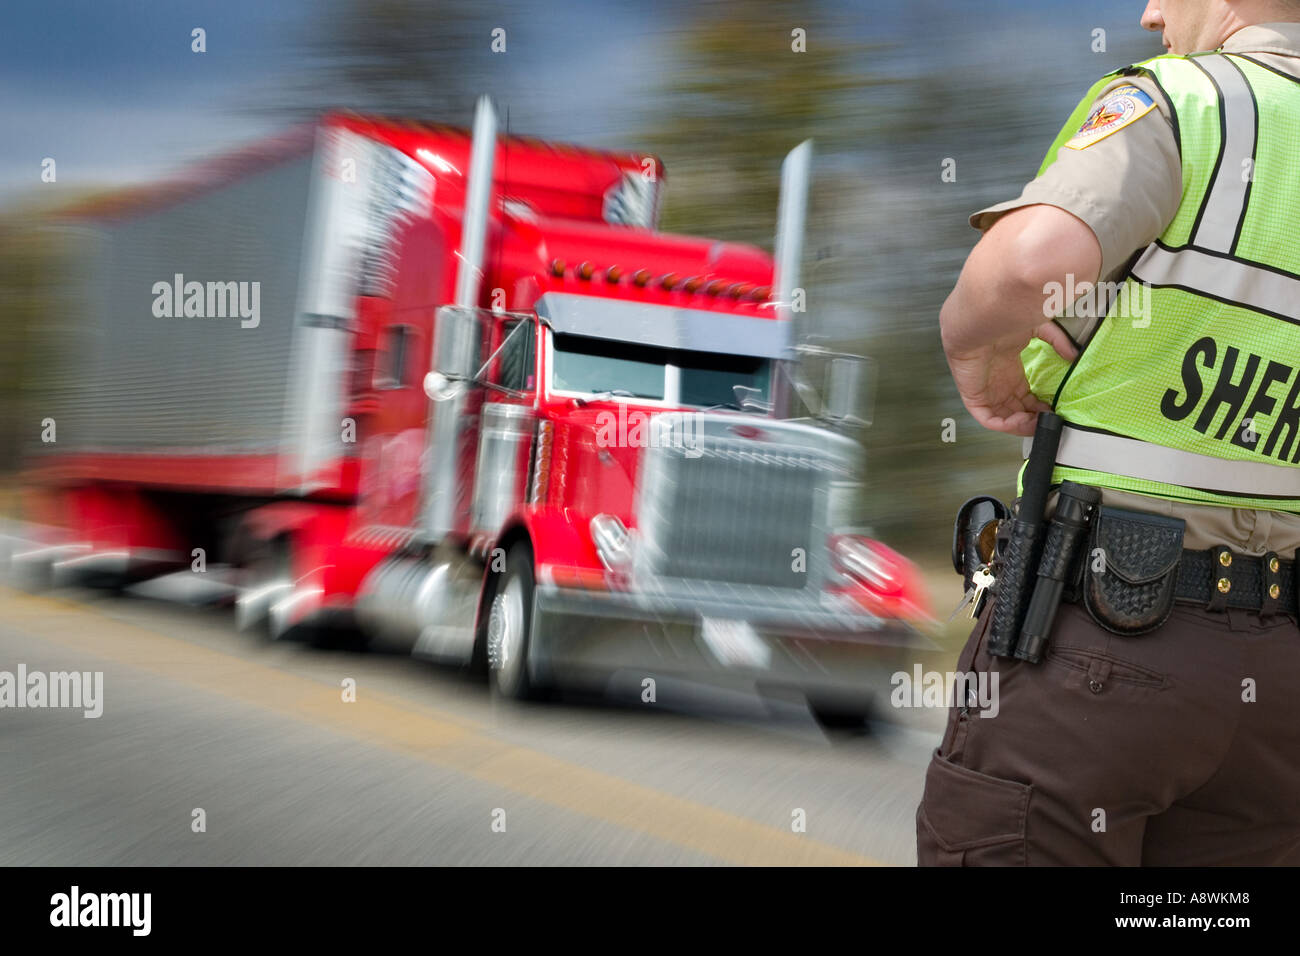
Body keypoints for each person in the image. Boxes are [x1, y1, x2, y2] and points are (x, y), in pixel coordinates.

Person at [918, 0, 1300, 865]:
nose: (1151, 13)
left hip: (1102, 650)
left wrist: (973, 348)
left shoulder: (1186, 103)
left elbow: (1028, 263)